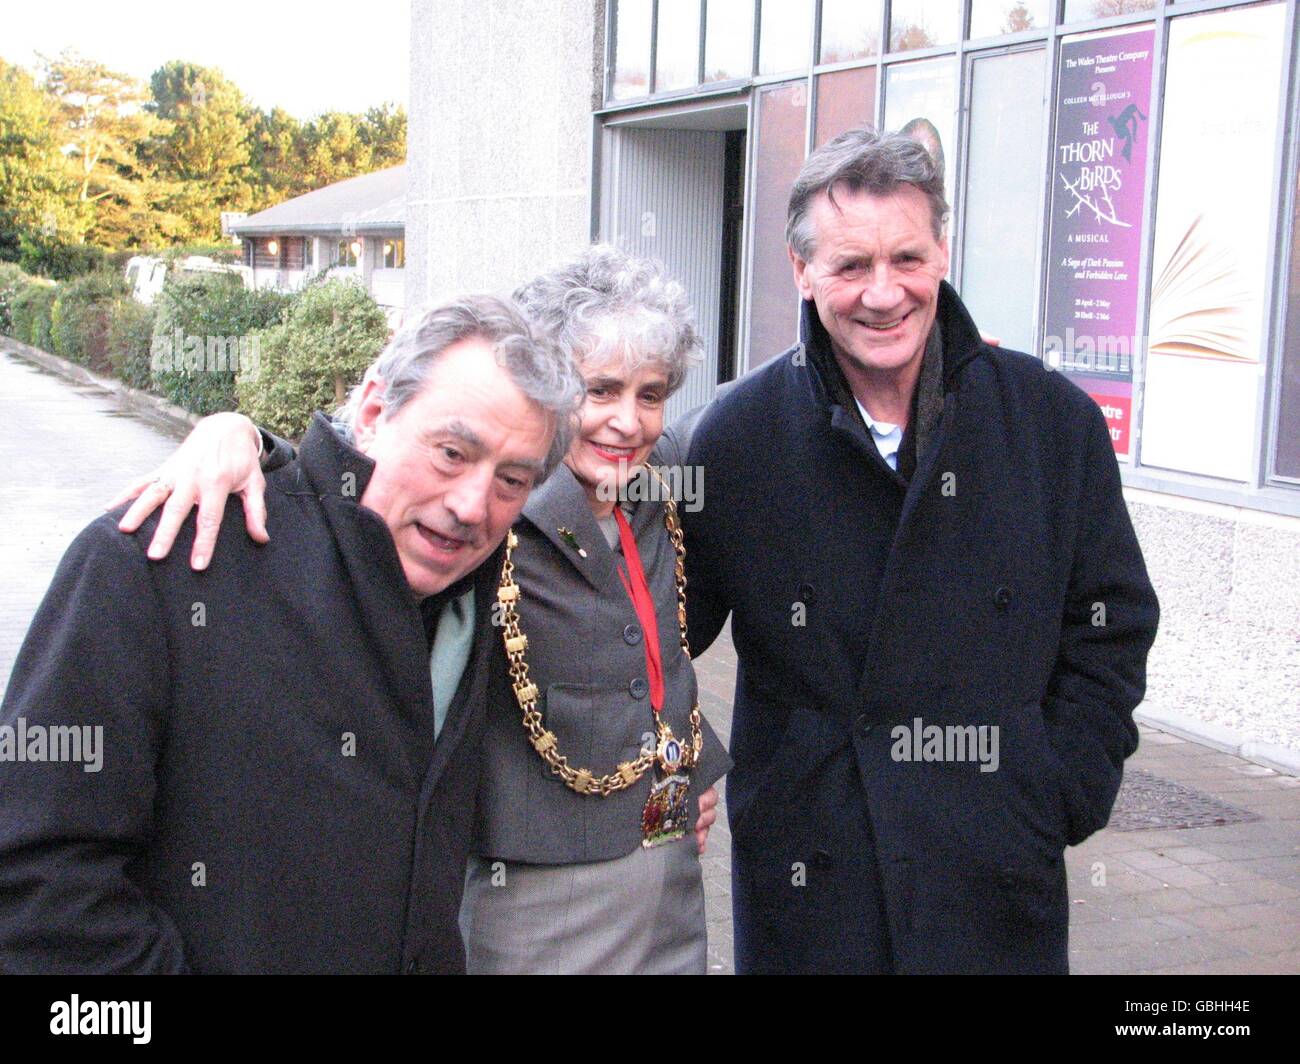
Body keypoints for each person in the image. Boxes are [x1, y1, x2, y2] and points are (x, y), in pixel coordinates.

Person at [108, 246, 730, 975]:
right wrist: (236, 434)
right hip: (534, 884)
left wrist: (693, 766)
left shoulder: (658, 492)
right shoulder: (491, 514)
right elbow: (362, 487)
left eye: (651, 395)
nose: (627, 420)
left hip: (666, 865)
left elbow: (652, 648)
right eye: (601, 391)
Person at [673, 126, 1160, 973]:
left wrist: (1053, 788)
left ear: (943, 251)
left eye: (906, 258)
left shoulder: (1051, 425)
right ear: (801, 272)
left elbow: (1112, 625)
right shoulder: (736, 437)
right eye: (851, 266)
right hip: (814, 877)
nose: (883, 292)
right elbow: (656, 627)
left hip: (994, 869)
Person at [0, 296, 582, 973]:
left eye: (512, 481)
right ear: (372, 412)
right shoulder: (155, 561)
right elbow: (38, 889)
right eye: (452, 453)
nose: (471, 505)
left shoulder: (472, 596)